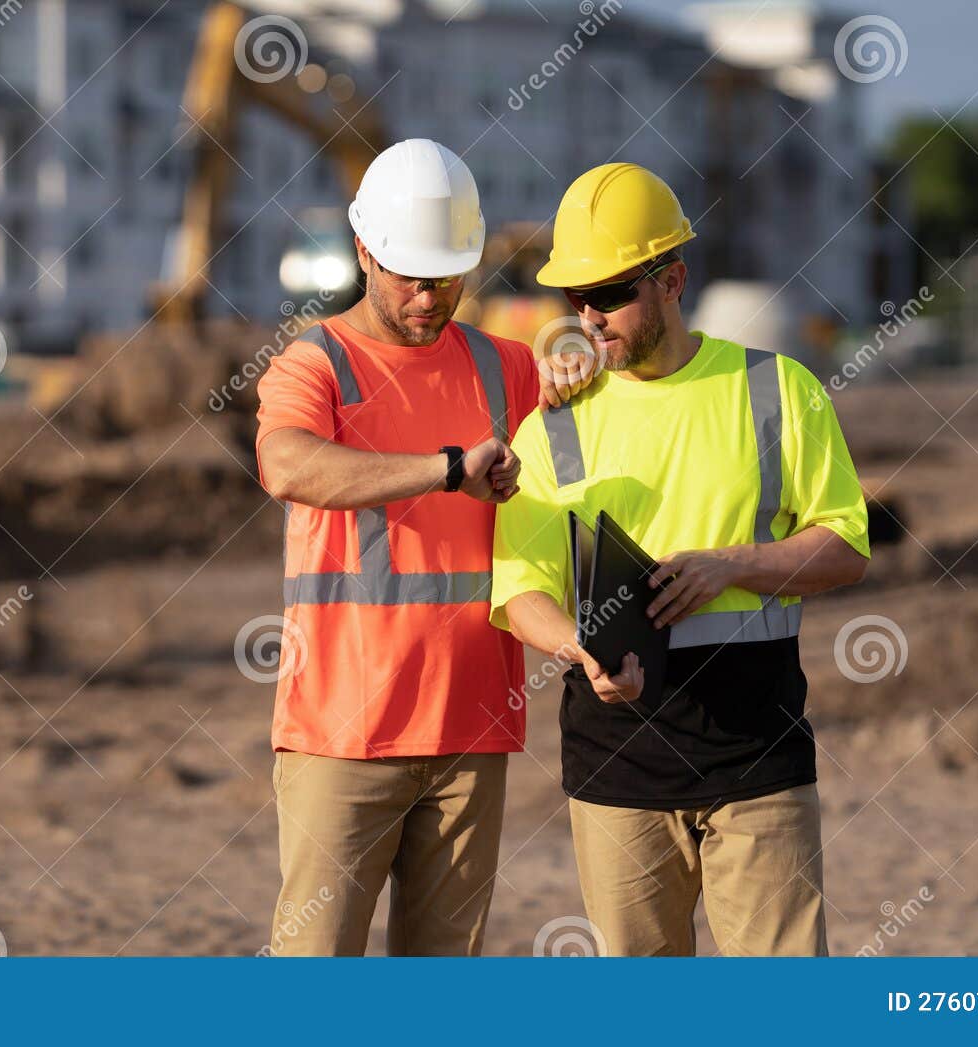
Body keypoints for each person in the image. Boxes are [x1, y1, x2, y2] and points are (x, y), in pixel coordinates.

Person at [490, 162, 871, 956]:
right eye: (577, 298)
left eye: (612, 293)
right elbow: (521, 586)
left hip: (757, 757)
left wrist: (732, 565)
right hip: (617, 766)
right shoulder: (552, 426)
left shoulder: (776, 390)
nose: (590, 318)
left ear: (673, 278)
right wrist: (578, 648)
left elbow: (844, 547)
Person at [255, 138, 590, 956]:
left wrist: (579, 361)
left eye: (446, 274)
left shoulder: (498, 365)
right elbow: (286, 462)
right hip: (343, 733)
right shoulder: (316, 363)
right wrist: (447, 470)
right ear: (364, 250)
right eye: (408, 272)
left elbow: (591, 410)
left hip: (471, 731)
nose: (428, 293)